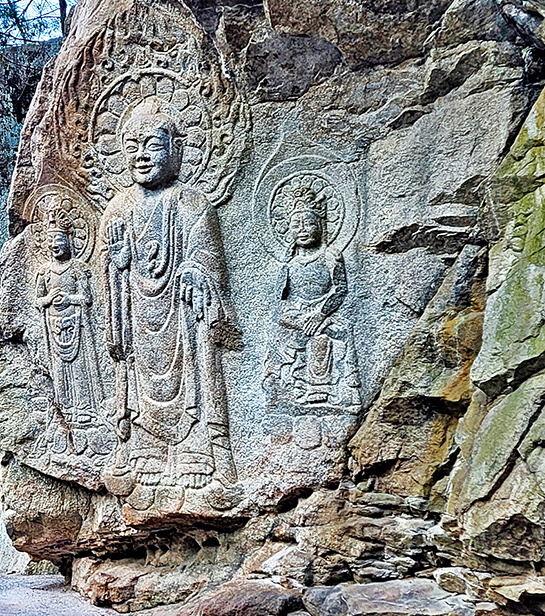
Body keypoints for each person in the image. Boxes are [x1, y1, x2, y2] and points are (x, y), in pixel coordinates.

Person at [100, 100, 240, 511]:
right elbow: (107, 266)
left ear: (177, 150)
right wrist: (118, 266)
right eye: (132, 146)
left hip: (182, 315)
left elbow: (209, 259)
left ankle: (205, 449)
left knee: (197, 369)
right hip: (135, 316)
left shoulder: (192, 204)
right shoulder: (118, 209)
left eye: (153, 145)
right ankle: (143, 450)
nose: (142, 155)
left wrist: (195, 273)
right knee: (138, 378)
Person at [263, 189, 360, 413]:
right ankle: (283, 387)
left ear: (321, 224)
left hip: (323, 311)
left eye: (308, 223)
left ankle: (320, 387)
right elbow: (280, 299)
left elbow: (340, 289)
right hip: (296, 314)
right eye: (296, 225)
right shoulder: (289, 263)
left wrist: (321, 314)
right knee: (278, 331)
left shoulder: (330, 255)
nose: (303, 230)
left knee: (320, 336)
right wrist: (294, 316)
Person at [35, 204, 107, 457]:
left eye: (59, 239)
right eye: (50, 240)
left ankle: (85, 410)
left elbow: (86, 297)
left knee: (79, 370)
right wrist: (48, 300)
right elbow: (38, 301)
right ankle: (63, 410)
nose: (54, 245)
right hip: (54, 327)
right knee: (60, 371)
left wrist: (68, 297)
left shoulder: (78, 269)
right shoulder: (44, 272)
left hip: (76, 323)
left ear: (70, 240)